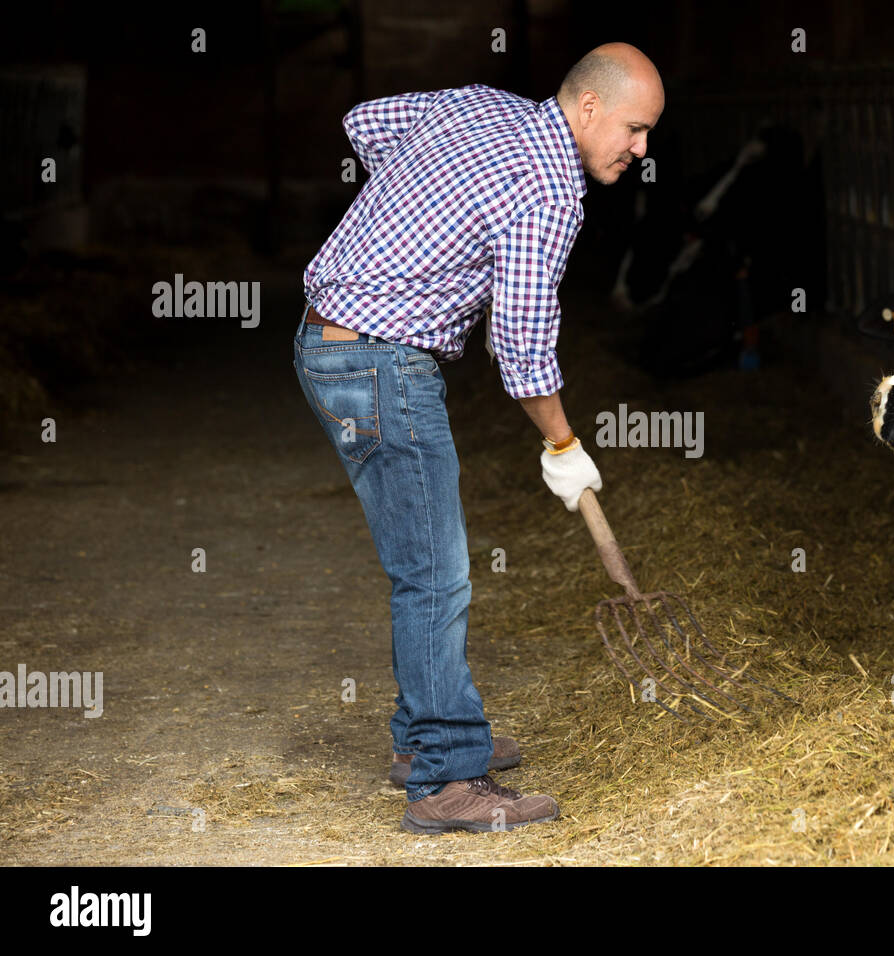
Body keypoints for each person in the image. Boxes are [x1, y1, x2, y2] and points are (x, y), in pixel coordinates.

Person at [292, 43, 663, 835]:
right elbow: (523, 350)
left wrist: (419, 206)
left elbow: (365, 122)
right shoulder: (549, 193)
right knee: (436, 574)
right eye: (634, 130)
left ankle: (420, 739)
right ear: (589, 108)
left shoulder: (478, 105)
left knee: (421, 564)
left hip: (328, 347)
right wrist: (564, 446)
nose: (641, 150)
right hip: (380, 362)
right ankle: (446, 779)